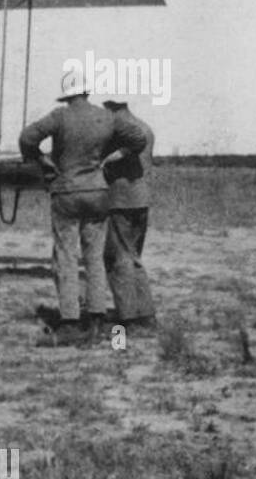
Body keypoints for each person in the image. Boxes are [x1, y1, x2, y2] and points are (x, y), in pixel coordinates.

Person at [18, 70, 147, 343]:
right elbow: (138, 139)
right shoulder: (106, 117)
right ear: (87, 92)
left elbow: (27, 138)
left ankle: (69, 322)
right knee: (95, 257)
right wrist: (114, 156)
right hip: (98, 192)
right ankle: (97, 320)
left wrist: (42, 161)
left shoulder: (59, 116)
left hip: (66, 192)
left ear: (67, 96)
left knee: (65, 255)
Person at [102, 101, 157, 329]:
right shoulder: (145, 127)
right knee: (133, 256)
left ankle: (128, 317)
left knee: (117, 258)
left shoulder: (119, 130)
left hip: (121, 200)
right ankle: (145, 314)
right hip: (141, 200)